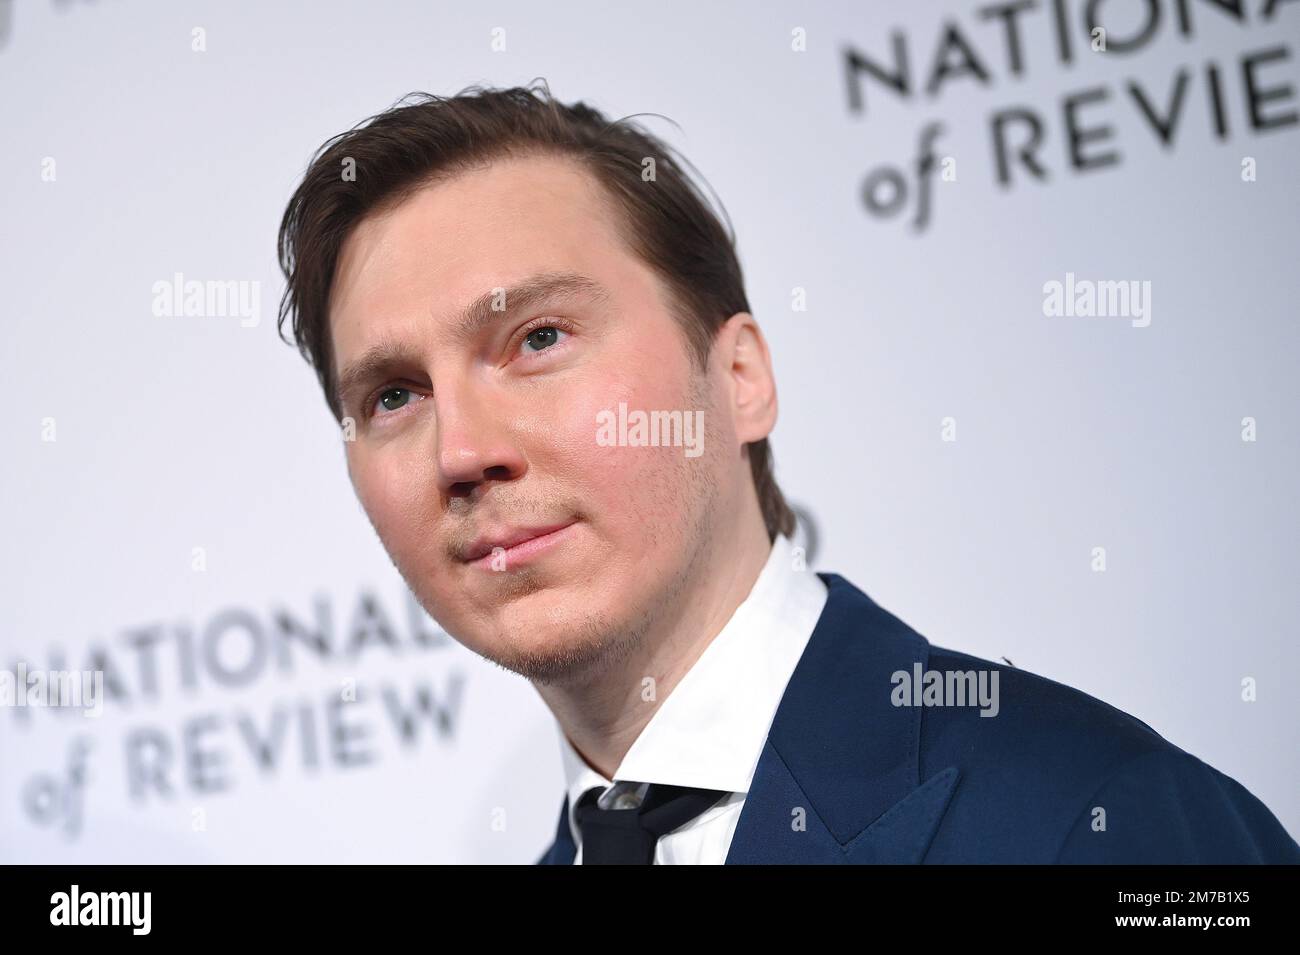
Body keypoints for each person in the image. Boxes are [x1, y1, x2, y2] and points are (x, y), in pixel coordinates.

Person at [275, 81, 1299, 864]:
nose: (461, 451)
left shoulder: (1091, 819)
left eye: (538, 337)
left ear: (739, 380)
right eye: (394, 395)